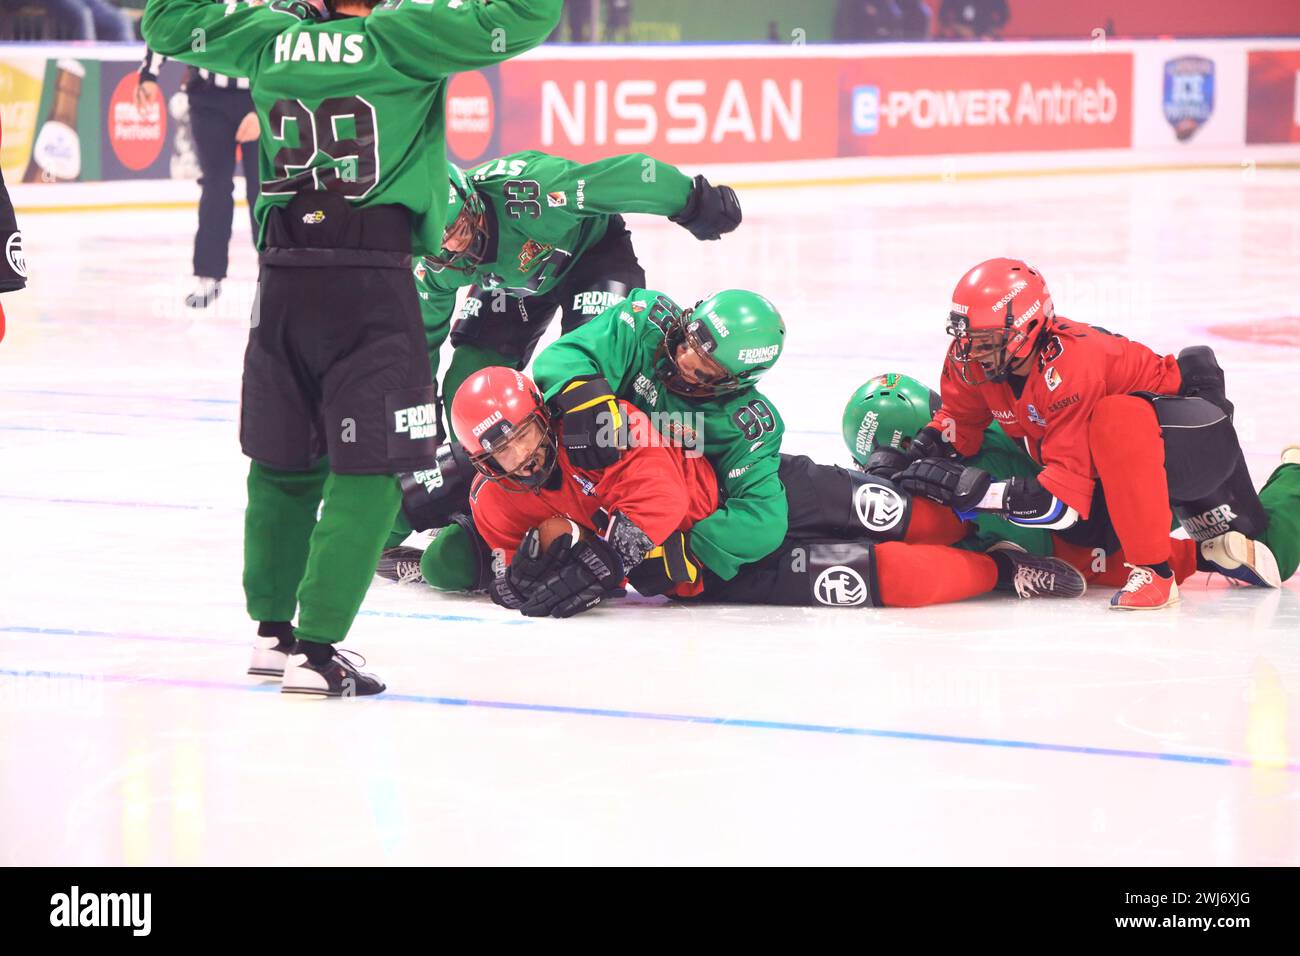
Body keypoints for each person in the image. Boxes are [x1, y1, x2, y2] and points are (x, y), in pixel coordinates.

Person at [142, 0, 561, 696]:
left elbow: (164, 20)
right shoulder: (404, 37)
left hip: (281, 281)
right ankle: (317, 648)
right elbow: (527, 15)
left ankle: (272, 635)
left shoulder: (268, 40)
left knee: (283, 460)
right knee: (371, 470)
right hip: (370, 284)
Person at [378, 372, 1086, 610]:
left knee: (892, 512)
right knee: (873, 579)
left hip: (750, 489)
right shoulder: (495, 500)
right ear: (481, 461)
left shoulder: (597, 425)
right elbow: (508, 571)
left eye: (524, 431)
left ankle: (985, 520)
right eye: (499, 448)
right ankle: (1000, 569)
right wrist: (519, 584)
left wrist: (602, 562)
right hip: (707, 571)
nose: (522, 453)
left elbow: (655, 488)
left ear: (543, 413)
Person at [888, 257, 1279, 610]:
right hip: (1122, 471)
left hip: (1190, 445)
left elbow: (1058, 506)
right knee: (1090, 527)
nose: (971, 353)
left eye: (986, 342)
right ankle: (1202, 554)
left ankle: (1158, 572)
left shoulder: (1069, 370)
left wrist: (973, 490)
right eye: (966, 339)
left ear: (1028, 328)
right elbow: (957, 424)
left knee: (1273, 550)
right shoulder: (977, 361)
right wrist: (907, 455)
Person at [847, 372, 1300, 587]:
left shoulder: (940, 479)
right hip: (1137, 463)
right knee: (1239, 543)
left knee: (1268, 555)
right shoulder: (980, 412)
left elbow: (1046, 541)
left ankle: (1293, 473)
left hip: (1099, 516)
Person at [414, 154, 741, 444]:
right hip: (511, 287)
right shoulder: (431, 264)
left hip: (592, 255)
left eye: (460, 228)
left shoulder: (536, 191)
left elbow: (618, 178)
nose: (455, 247)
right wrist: (420, 412)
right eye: (438, 241)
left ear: (474, 201)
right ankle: (483, 487)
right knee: (465, 388)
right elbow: (419, 339)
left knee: (592, 374)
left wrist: (693, 200)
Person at [137, 36, 259, 308]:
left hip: (260, 93)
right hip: (209, 97)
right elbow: (170, 20)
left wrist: (264, 107)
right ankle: (209, 275)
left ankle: (273, 273)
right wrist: (149, 73)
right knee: (215, 186)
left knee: (263, 190)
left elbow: (290, 32)